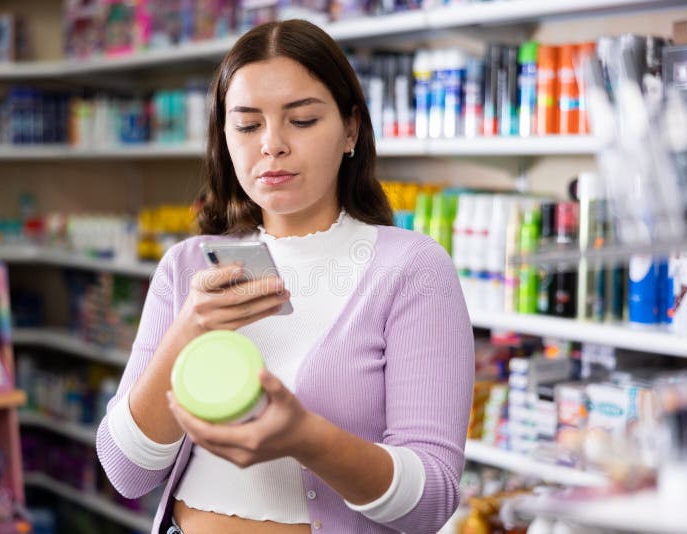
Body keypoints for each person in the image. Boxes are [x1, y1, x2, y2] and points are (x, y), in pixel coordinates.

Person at [97, 19, 474, 534]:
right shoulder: (188, 267)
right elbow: (126, 472)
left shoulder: (411, 268)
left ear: (350, 130)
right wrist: (187, 332)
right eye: (248, 126)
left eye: (301, 120)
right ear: (225, 137)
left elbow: (431, 501)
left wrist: (307, 439)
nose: (271, 145)